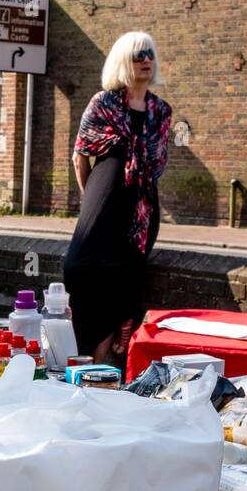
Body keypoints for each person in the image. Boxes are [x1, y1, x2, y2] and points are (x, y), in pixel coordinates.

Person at [63, 31, 172, 362]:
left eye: (150, 54)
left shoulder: (161, 111)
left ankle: (104, 366)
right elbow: (80, 155)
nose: (146, 61)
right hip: (103, 200)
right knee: (80, 267)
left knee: (124, 281)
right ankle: (86, 357)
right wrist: (91, 200)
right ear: (123, 61)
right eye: (139, 55)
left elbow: (155, 166)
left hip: (139, 210)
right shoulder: (103, 103)